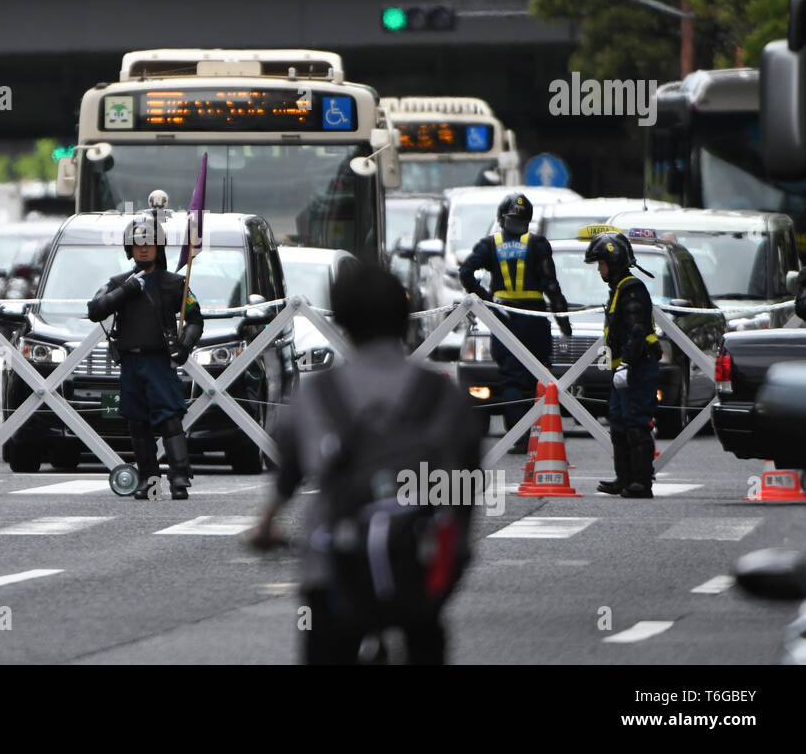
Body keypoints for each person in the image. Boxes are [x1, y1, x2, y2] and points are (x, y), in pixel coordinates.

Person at [249, 260, 484, 664]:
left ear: (341, 321)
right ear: (403, 319)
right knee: (424, 635)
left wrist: (264, 529)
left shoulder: (317, 396)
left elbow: (285, 481)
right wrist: (454, 551)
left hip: (333, 570)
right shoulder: (443, 396)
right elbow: (464, 488)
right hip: (418, 567)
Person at [87, 210, 203, 500]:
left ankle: (179, 477)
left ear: (159, 247)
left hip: (158, 361)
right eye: (137, 243)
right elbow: (95, 310)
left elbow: (195, 319)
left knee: (169, 419)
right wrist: (126, 290)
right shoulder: (118, 282)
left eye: (149, 242)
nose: (143, 247)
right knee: (137, 422)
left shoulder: (175, 284)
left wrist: (184, 345)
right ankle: (150, 480)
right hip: (130, 362)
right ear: (129, 249)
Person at [459, 193, 573, 453]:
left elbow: (466, 273)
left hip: (504, 318)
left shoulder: (489, 244)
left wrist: (487, 301)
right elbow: (551, 286)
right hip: (534, 318)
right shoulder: (538, 244)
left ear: (501, 218)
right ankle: (541, 433)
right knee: (540, 375)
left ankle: (518, 438)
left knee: (511, 379)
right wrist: (563, 320)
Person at [584, 230, 662, 499]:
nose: (599, 270)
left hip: (638, 367)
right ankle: (624, 478)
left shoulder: (631, 290)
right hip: (625, 368)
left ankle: (640, 482)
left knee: (635, 423)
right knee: (618, 422)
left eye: (601, 263)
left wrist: (627, 364)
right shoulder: (619, 289)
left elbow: (637, 330)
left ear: (613, 262)